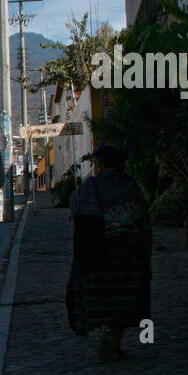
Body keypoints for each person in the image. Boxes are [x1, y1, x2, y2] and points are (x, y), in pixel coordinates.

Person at [65, 143, 152, 362]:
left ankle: (109, 338)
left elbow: (76, 219)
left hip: (96, 253)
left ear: (100, 165)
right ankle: (114, 342)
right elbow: (143, 220)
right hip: (129, 253)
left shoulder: (88, 189)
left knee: (105, 299)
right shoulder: (130, 187)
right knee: (124, 299)